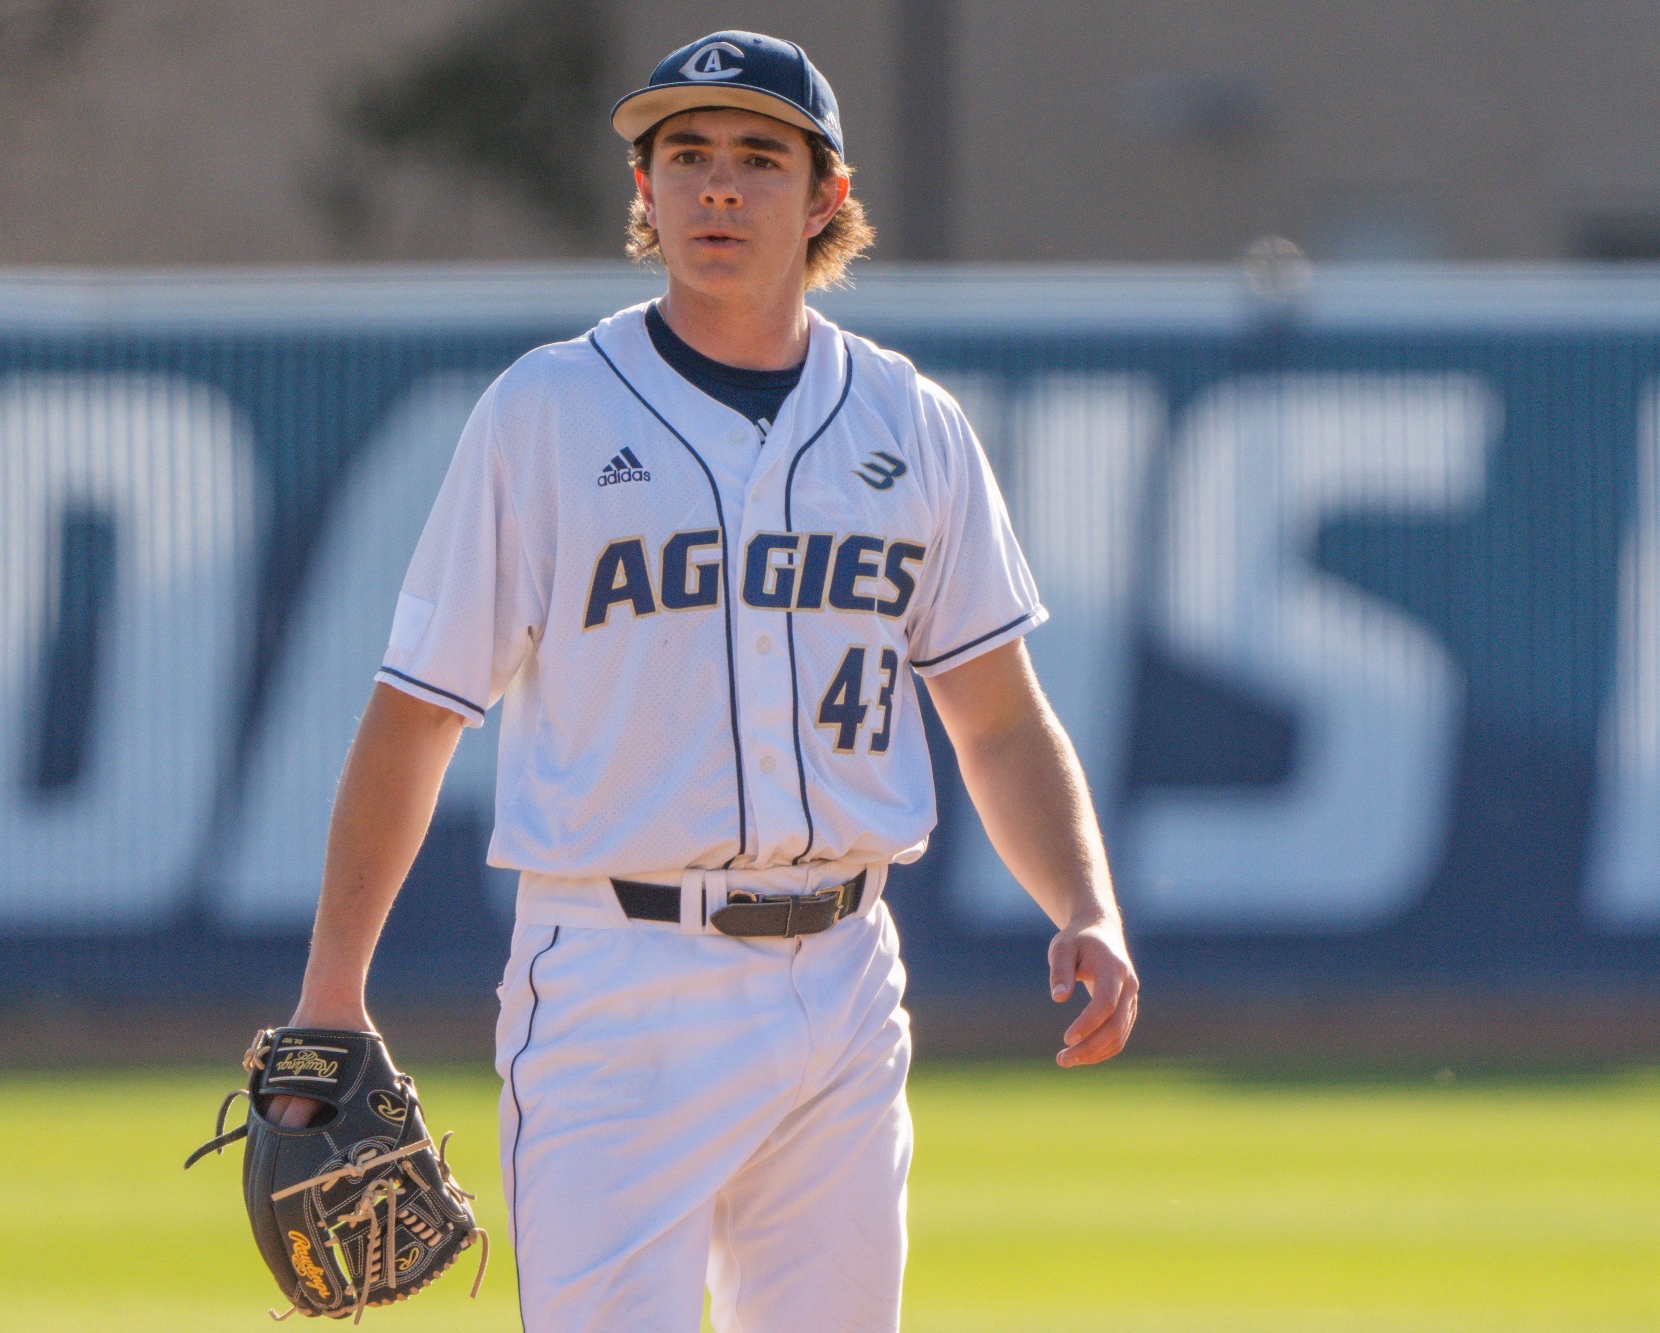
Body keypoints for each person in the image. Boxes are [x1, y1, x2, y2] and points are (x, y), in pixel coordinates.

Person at [270, 29, 1138, 1333]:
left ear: (826, 197)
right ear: (644, 192)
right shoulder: (547, 413)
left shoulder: (912, 425)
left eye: (755, 157)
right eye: (684, 157)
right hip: (618, 979)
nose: (716, 188)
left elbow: (1001, 717)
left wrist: (1085, 899)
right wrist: (332, 994)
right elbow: (416, 714)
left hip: (844, 973)